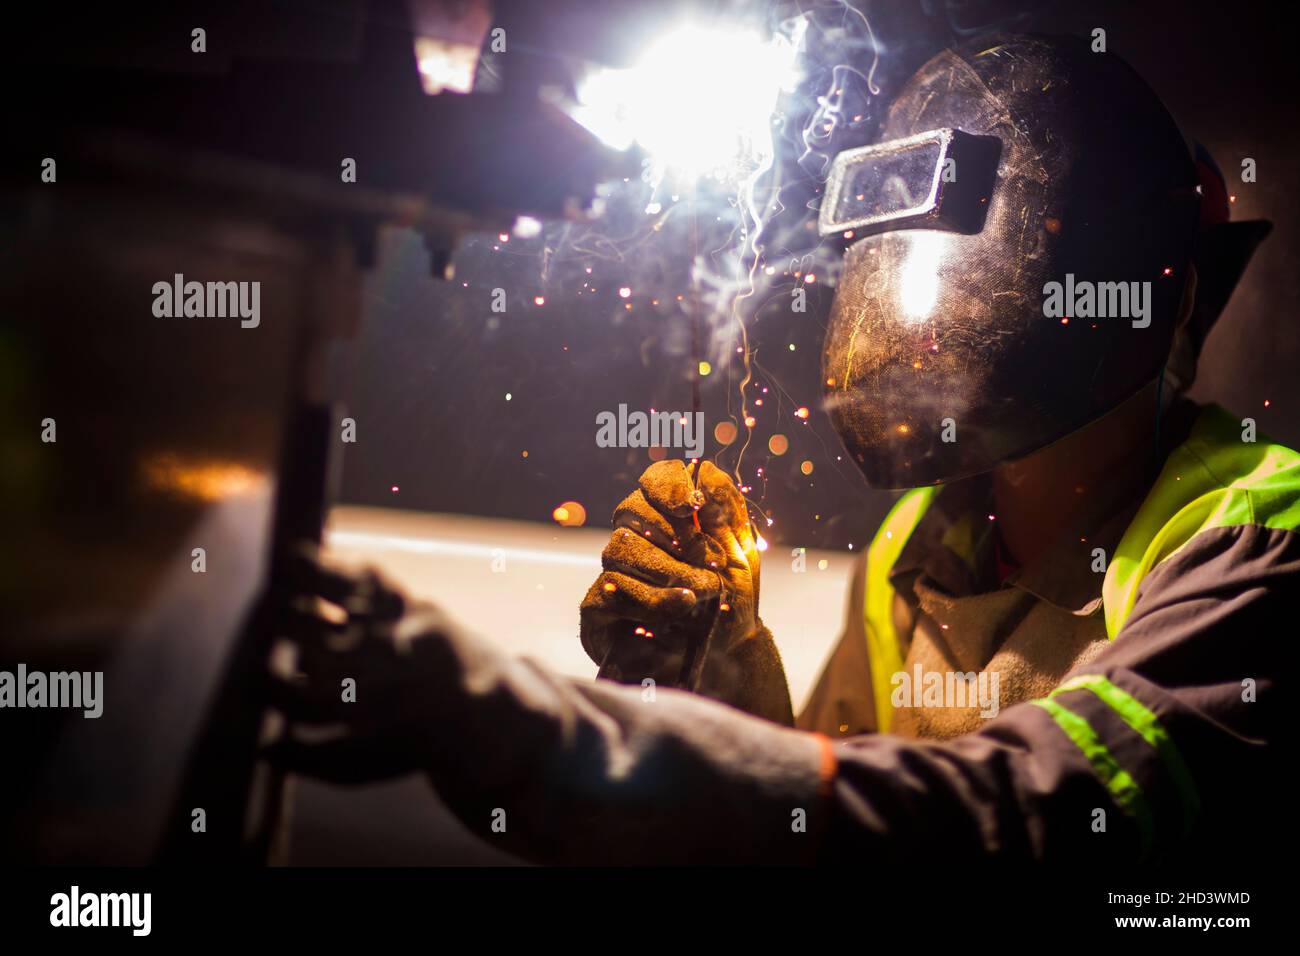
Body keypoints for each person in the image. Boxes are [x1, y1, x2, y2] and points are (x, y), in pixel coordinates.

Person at [267, 35, 1293, 867]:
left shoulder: (1259, 536)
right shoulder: (921, 544)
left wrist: (556, 740)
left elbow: (1028, 816)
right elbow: (844, 816)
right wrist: (728, 689)